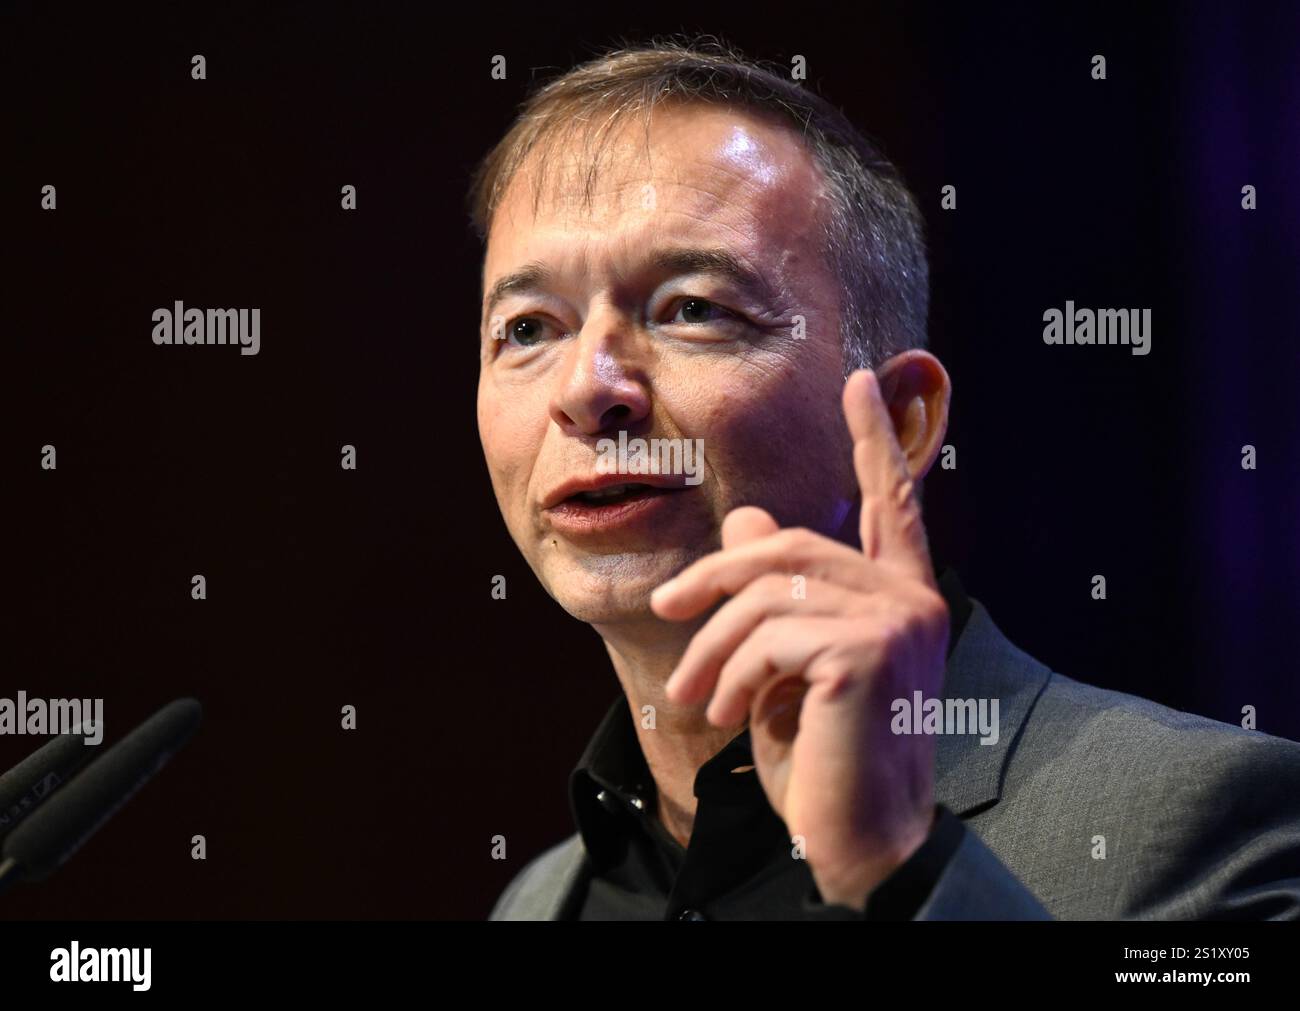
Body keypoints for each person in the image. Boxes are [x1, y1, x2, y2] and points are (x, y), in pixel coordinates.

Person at [469, 38, 1300, 920]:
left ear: (901, 419)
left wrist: (902, 866)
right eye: (527, 328)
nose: (589, 387)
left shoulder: (1204, 825)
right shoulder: (538, 900)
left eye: (693, 309)